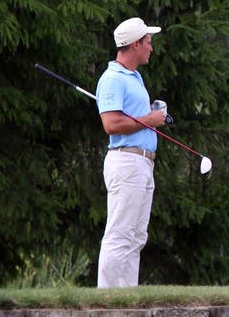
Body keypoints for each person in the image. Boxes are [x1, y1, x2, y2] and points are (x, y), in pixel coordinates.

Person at [95, 16, 167, 288]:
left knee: (136, 236)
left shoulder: (134, 77)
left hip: (142, 164)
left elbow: (130, 118)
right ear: (135, 44)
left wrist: (150, 114)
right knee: (120, 234)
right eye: (148, 42)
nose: (151, 47)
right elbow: (111, 124)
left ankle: (127, 297)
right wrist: (151, 119)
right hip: (126, 161)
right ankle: (108, 302)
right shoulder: (113, 78)